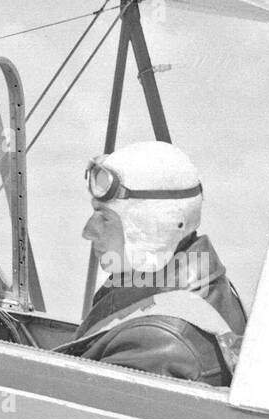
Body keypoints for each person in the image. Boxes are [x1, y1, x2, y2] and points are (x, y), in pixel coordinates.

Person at [64, 141, 247, 386]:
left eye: (105, 219)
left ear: (151, 228)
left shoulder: (157, 344)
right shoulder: (192, 280)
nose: (88, 232)